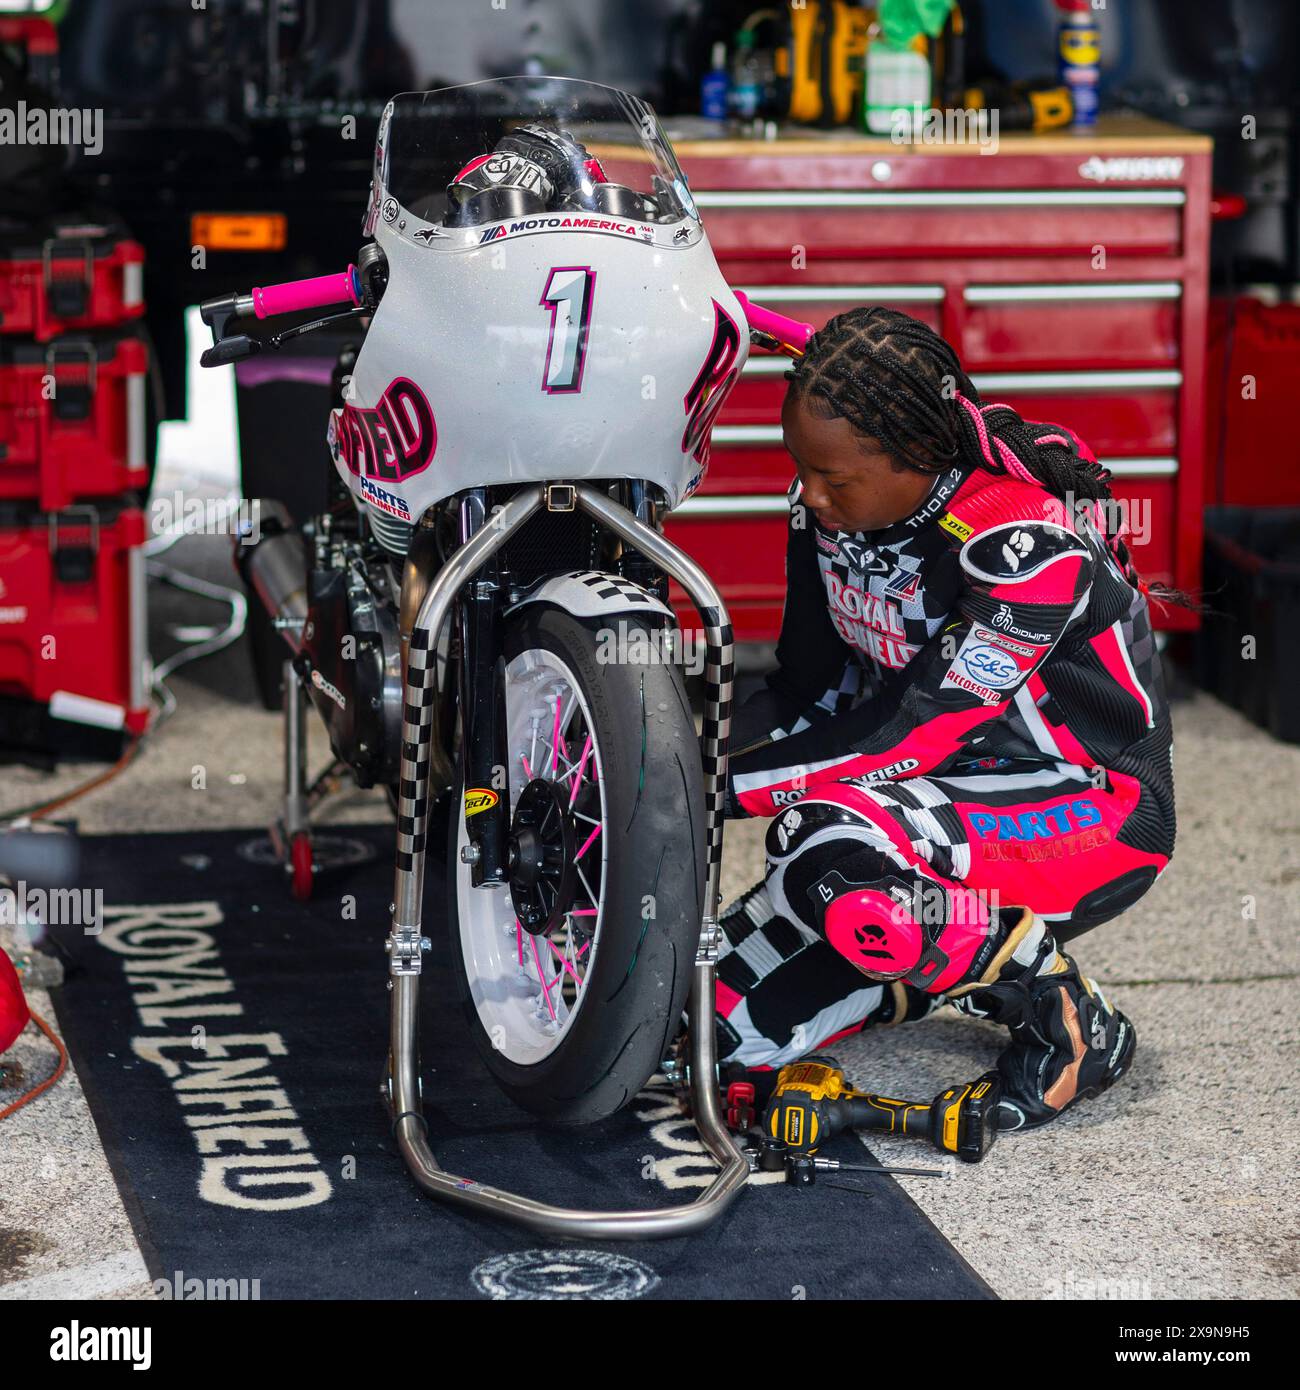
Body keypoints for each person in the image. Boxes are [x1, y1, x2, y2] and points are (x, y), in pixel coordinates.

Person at [716, 307, 1176, 1131]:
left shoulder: (1026, 544)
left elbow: (916, 730)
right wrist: (670, 763)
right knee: (702, 1031)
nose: (812, 494)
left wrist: (712, 789)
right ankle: (907, 971)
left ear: (918, 455)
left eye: (836, 479)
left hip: (1093, 809)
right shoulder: (825, 511)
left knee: (828, 844)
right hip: (934, 801)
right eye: (802, 469)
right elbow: (806, 693)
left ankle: (1070, 1020)